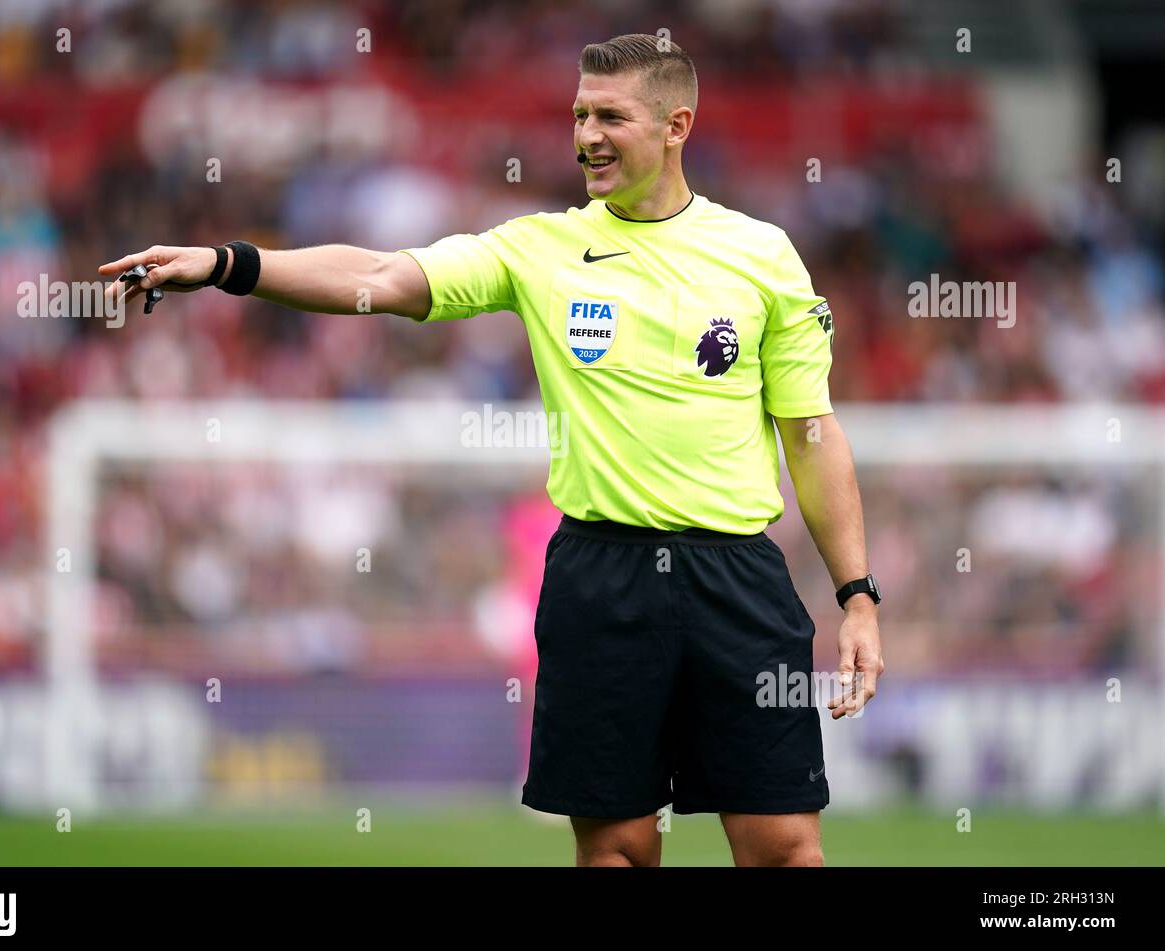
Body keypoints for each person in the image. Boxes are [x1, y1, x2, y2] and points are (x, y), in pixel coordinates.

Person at [99, 32, 884, 867]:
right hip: (601, 578)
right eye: (578, 113)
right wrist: (230, 264)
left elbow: (811, 434)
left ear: (676, 125)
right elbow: (384, 275)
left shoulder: (761, 254)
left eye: (610, 115)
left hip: (738, 580)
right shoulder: (539, 249)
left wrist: (858, 595)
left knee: (786, 850)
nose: (585, 134)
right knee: (617, 851)